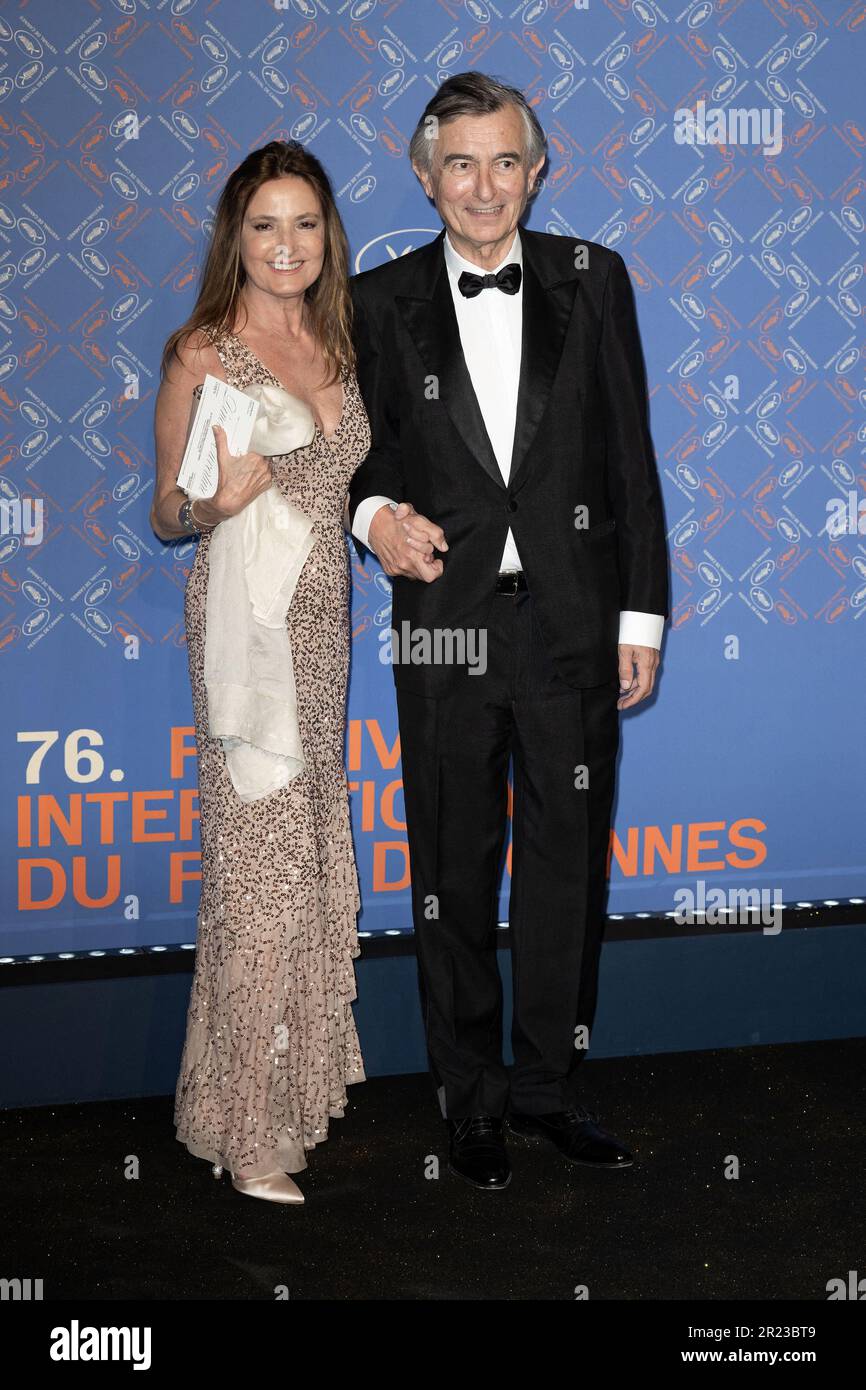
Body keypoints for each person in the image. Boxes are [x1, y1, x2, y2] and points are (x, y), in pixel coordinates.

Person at [348, 73, 669, 1190]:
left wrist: (640, 614)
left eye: (504, 161)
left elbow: (629, 456)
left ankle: (546, 1091)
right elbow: (362, 457)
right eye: (459, 163)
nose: (483, 186)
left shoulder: (596, 279)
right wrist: (372, 517)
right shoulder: (376, 300)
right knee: (449, 866)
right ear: (424, 175)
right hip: (443, 628)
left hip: (575, 626)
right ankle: (469, 1103)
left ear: (537, 171)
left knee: (563, 872)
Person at [151, 141, 370, 1204]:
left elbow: (346, 490)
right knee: (257, 875)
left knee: (301, 864)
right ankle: (247, 1132)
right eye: (264, 226)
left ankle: (277, 1097)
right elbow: (163, 511)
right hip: (245, 634)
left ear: (327, 236)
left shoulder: (339, 343)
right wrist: (210, 506)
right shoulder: (201, 350)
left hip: (323, 629)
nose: (287, 246)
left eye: (305, 224)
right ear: (233, 238)